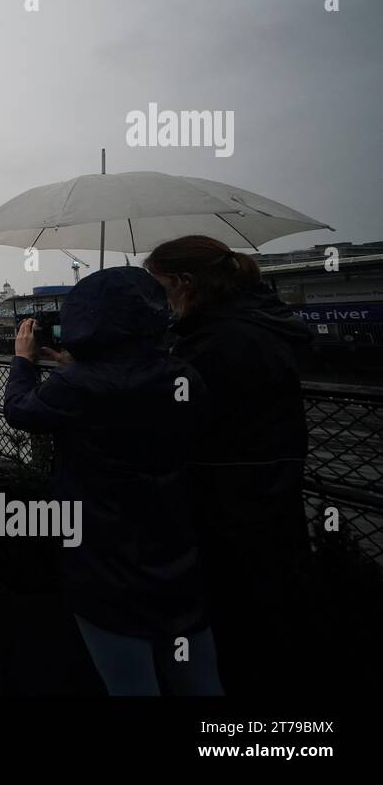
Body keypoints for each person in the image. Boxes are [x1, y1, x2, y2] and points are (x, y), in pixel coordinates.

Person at [3, 267, 221, 695]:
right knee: (200, 682)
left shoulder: (76, 386)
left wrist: (23, 360)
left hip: (104, 563)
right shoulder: (184, 377)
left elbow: (20, 411)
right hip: (175, 553)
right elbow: (131, 398)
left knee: (131, 686)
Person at [145, 235, 313, 695]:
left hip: (227, 514)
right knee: (272, 631)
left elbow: (171, 423)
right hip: (271, 504)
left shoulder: (217, 342)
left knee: (242, 640)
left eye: (160, 286)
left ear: (183, 282)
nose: (159, 299)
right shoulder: (255, 327)